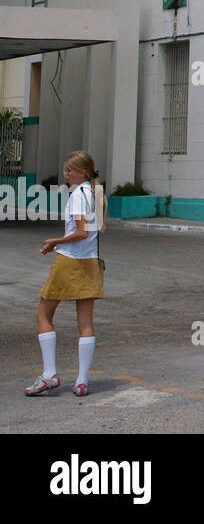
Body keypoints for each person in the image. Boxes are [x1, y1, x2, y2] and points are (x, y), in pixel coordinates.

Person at [25, 151, 103, 397]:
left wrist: (53, 242)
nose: (65, 174)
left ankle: (50, 375)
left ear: (82, 173)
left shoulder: (79, 194)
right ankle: (81, 381)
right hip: (90, 262)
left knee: (43, 314)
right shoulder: (95, 194)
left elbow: (81, 232)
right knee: (86, 324)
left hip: (70, 260)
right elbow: (92, 233)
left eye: (70, 170)